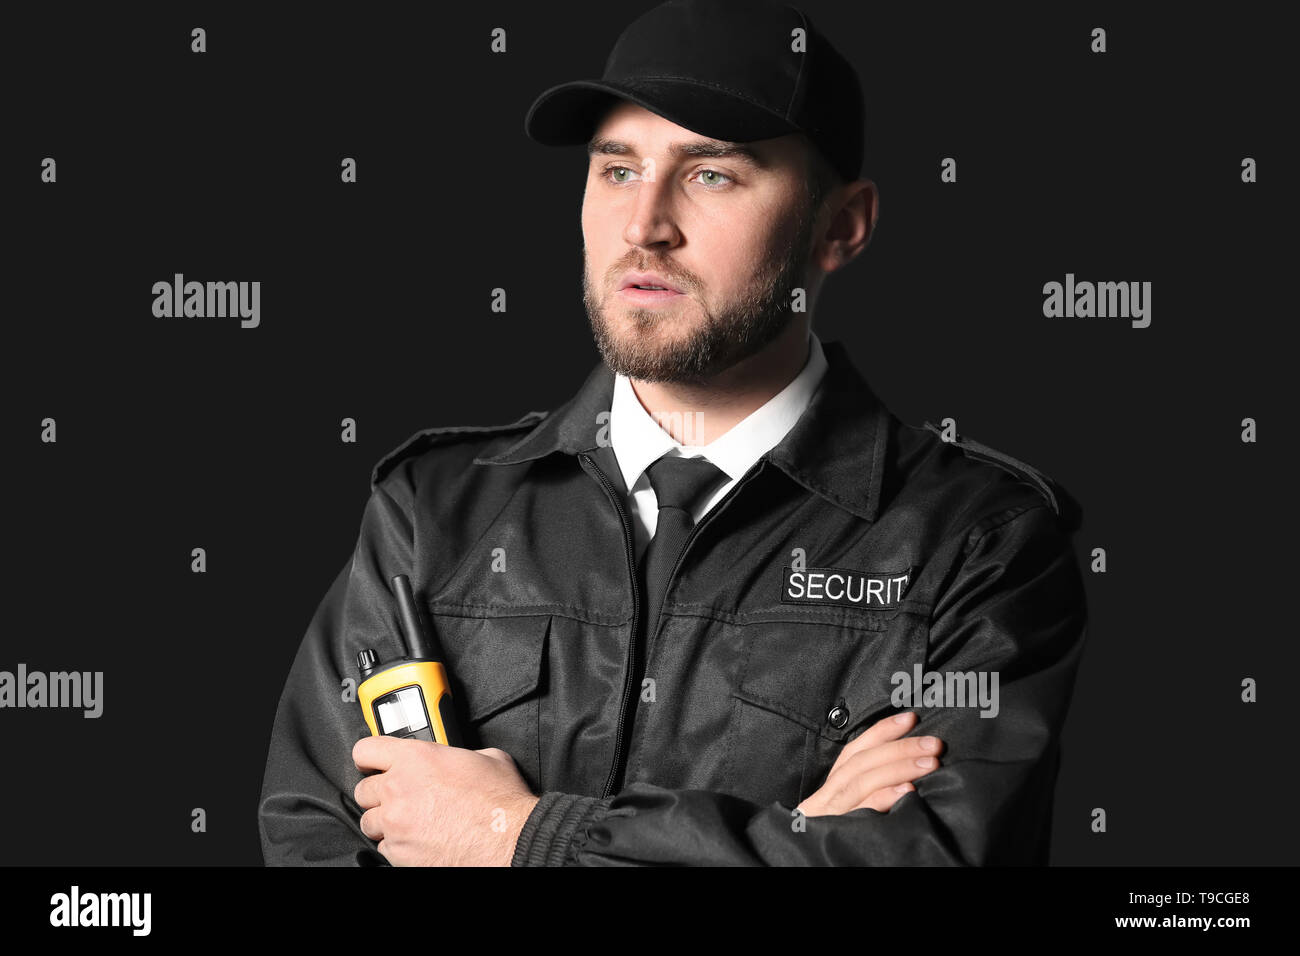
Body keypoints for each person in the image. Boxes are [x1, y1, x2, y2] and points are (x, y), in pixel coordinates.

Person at [258, 0, 1086, 866]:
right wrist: (798, 837)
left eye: (711, 174)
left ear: (841, 226)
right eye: (616, 170)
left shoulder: (977, 545)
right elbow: (314, 843)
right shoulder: (434, 514)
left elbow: (928, 859)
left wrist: (517, 835)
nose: (644, 224)